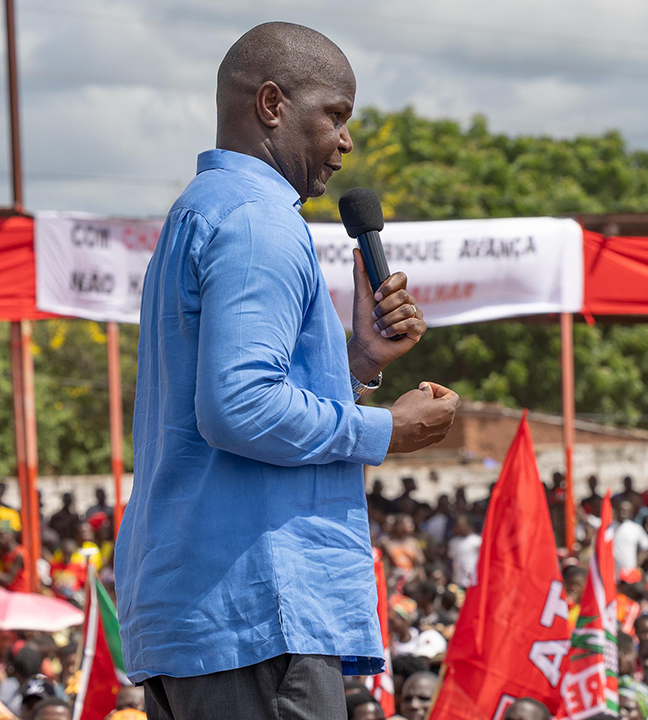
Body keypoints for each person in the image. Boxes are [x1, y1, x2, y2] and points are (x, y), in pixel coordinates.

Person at [115, 22, 459, 720]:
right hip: (254, 615)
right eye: (335, 114)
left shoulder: (202, 210)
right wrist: (384, 429)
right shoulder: (261, 221)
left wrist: (357, 364)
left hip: (206, 616)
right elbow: (238, 408)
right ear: (272, 104)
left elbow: (223, 404)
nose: (346, 140)